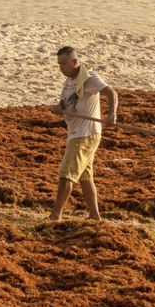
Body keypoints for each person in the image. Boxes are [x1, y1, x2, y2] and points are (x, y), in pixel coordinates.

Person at [50, 44, 117, 222]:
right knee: (86, 177)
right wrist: (59, 108)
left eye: (64, 64)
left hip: (85, 134)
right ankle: (95, 215)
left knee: (66, 173)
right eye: (59, 64)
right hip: (76, 132)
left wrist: (112, 113)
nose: (61, 68)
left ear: (75, 61)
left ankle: (55, 214)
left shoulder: (88, 77)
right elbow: (65, 104)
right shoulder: (70, 81)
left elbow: (110, 92)